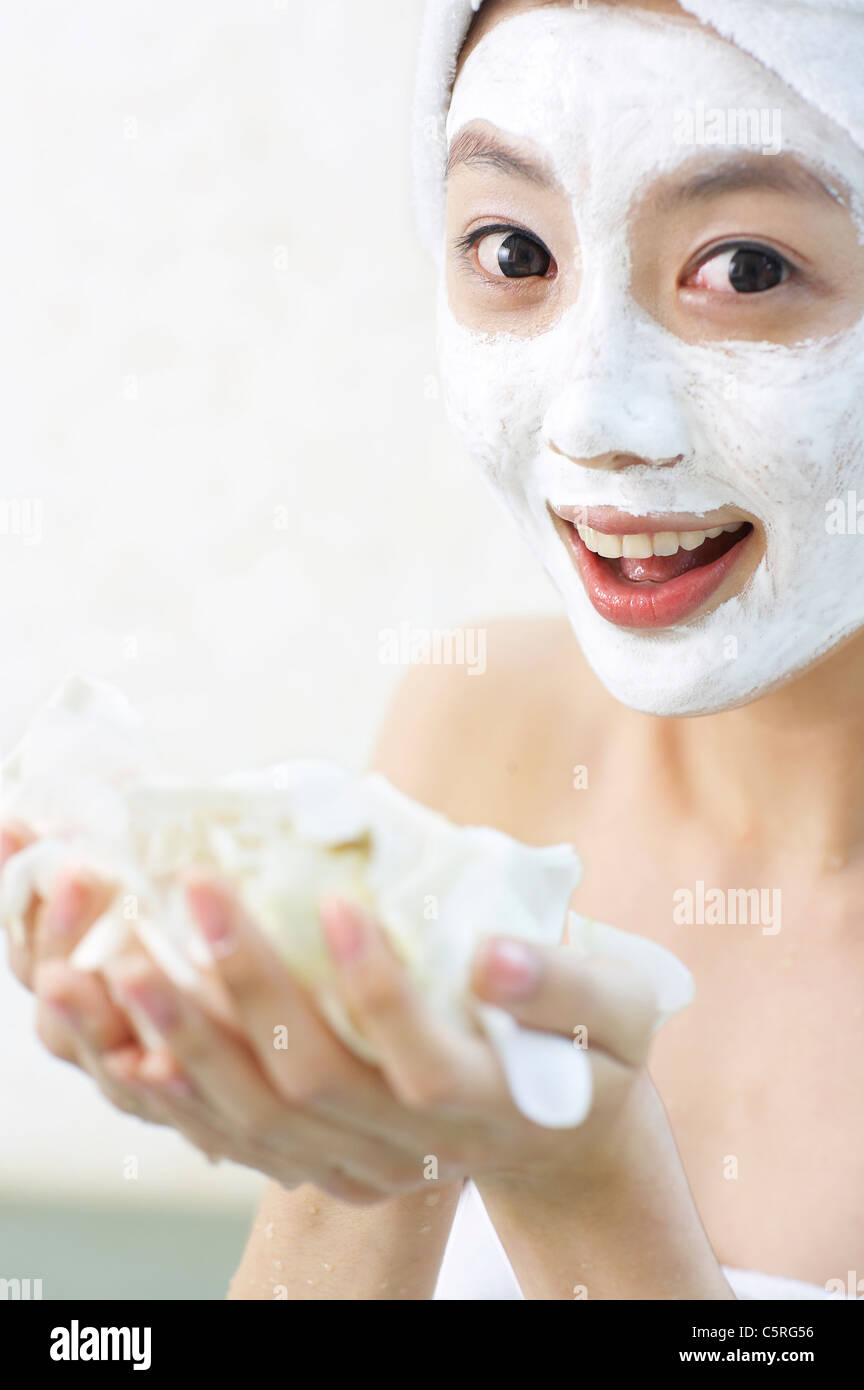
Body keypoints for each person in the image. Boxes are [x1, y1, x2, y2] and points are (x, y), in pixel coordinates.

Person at [3, 0, 864, 1299]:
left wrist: (576, 1169)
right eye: (514, 248)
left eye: (744, 270)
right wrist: (362, 1171)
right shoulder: (484, 728)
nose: (596, 421)